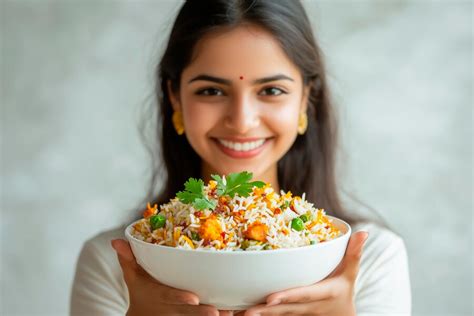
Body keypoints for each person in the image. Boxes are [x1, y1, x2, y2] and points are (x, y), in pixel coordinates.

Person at [70, 1, 411, 315]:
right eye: (211, 91)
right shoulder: (116, 263)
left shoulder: (371, 258)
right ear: (175, 98)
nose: (243, 120)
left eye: (271, 90)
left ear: (306, 99)